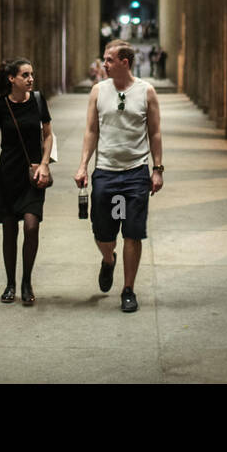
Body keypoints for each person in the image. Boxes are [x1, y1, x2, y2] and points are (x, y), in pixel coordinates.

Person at [75, 39, 164, 312]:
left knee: (133, 233)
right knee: (104, 233)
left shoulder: (146, 91)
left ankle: (128, 290)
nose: (104, 64)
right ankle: (108, 259)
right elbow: (91, 130)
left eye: (109, 60)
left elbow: (155, 132)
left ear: (125, 62)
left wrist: (157, 169)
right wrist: (83, 165)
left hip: (136, 173)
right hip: (106, 171)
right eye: (105, 59)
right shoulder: (98, 91)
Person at [0, 57, 54, 305]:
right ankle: (10, 283)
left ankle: (27, 281)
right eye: (25, 75)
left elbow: (47, 135)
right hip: (7, 175)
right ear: (12, 79)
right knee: (9, 231)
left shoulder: (37, 100)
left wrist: (44, 164)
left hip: (33, 174)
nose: (31, 79)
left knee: (31, 226)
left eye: (32, 74)